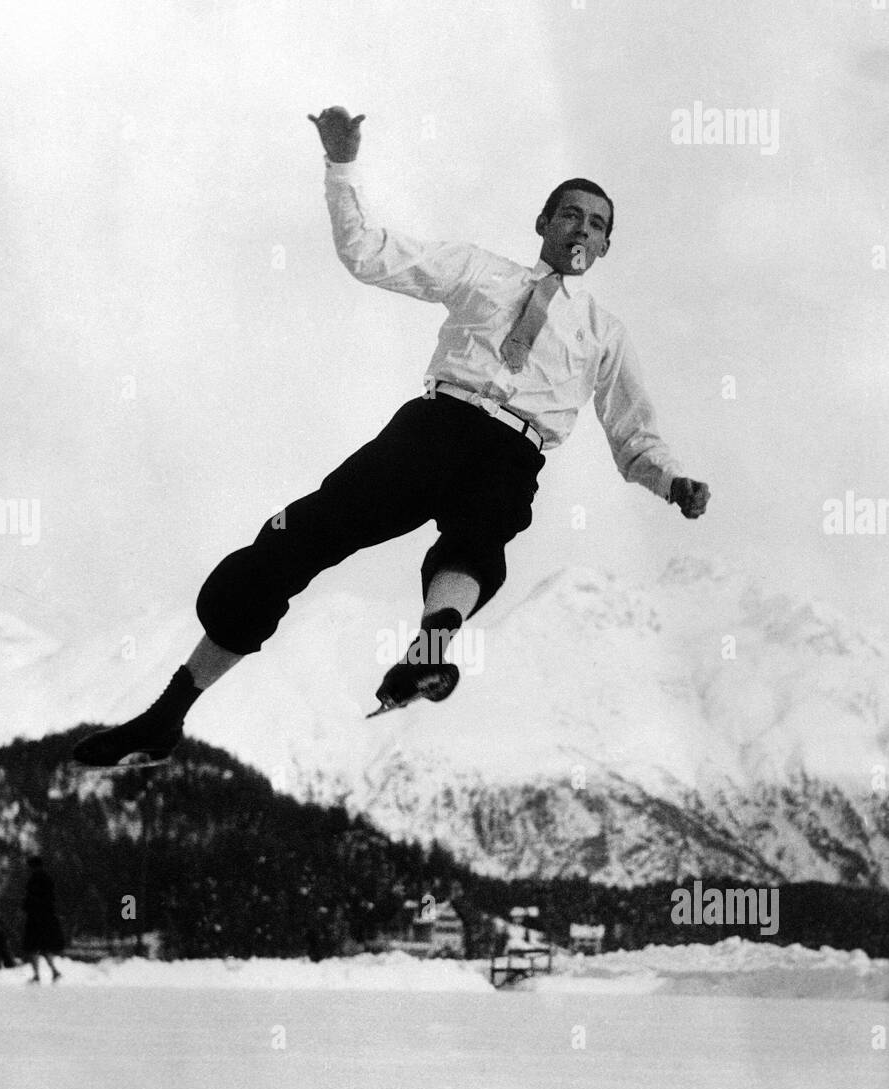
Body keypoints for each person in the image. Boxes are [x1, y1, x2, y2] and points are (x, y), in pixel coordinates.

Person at [73, 105, 709, 768]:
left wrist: (672, 482)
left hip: (512, 449)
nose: (583, 228)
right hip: (434, 427)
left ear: (605, 247)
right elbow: (366, 253)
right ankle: (164, 717)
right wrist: (340, 163)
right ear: (544, 224)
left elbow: (633, 435)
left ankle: (430, 652)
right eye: (572, 214)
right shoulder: (478, 270)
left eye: (598, 224)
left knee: (479, 534)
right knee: (292, 544)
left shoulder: (605, 334)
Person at [23, 856, 63, 983]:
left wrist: (26, 907)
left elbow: (32, 899)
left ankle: (37, 975)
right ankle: (54, 971)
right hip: (47, 918)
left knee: (32, 948)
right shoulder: (48, 879)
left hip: (35, 918)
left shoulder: (34, 880)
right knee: (44, 948)